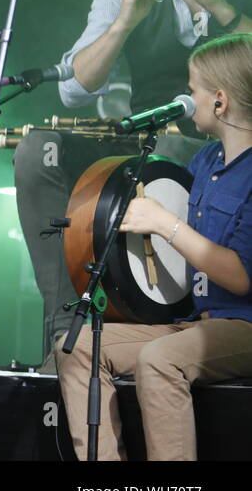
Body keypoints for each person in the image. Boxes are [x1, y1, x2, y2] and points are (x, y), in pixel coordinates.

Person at [15, 0, 252, 362]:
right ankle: (65, 328)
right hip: (147, 145)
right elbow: (75, 89)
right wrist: (124, 22)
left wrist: (220, 6)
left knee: (174, 143)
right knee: (38, 151)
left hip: (234, 156)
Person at [56, 33, 252, 460]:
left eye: (193, 88)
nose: (187, 96)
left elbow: (239, 277)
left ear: (220, 101)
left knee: (160, 360)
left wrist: (165, 225)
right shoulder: (205, 162)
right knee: (78, 347)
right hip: (196, 320)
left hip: (245, 326)